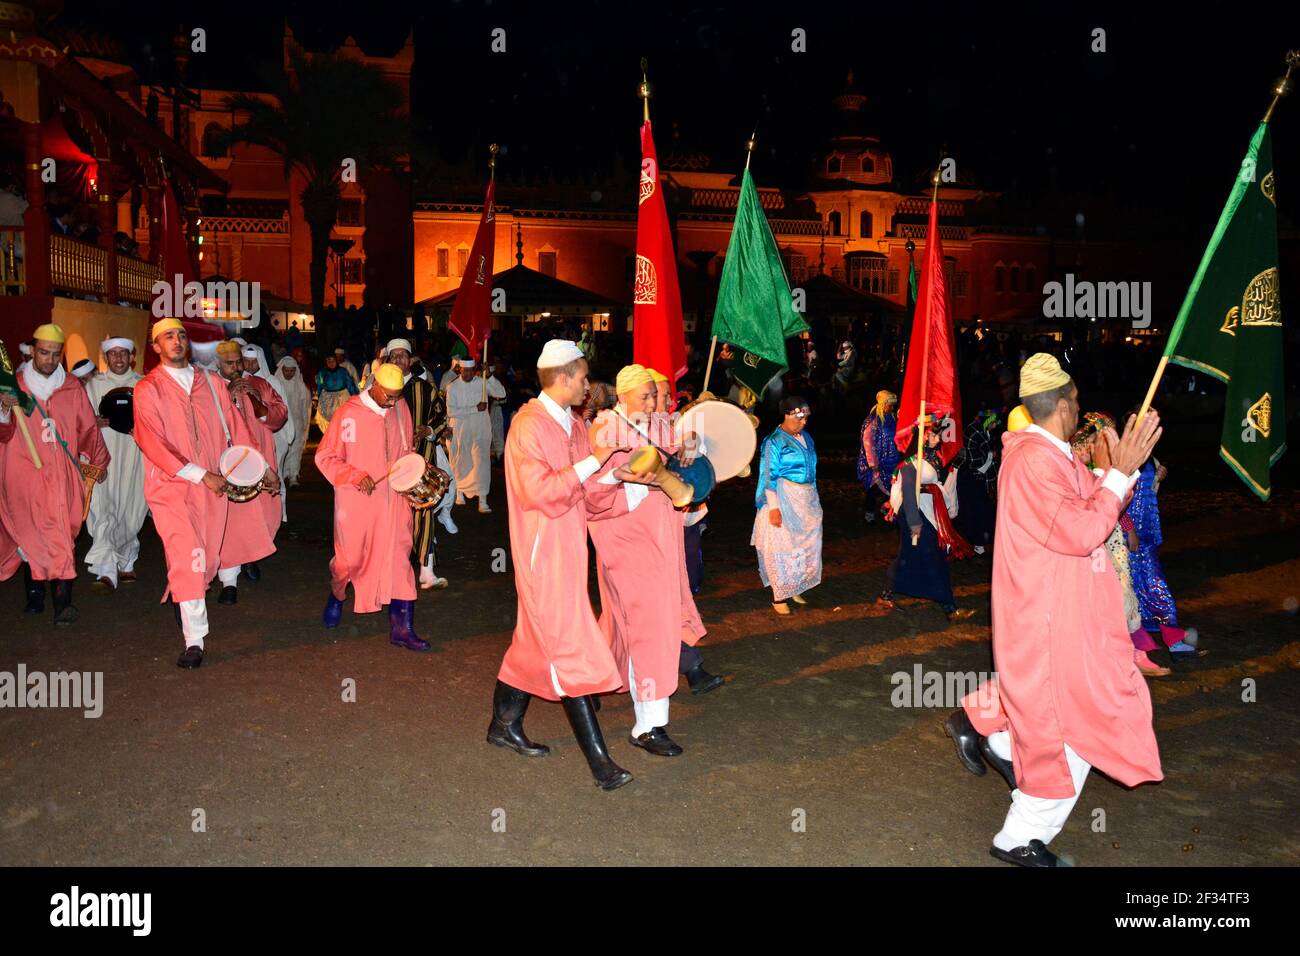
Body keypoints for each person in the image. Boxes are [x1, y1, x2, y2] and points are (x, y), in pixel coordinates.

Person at [943, 353, 1163, 867]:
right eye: (1078, 402)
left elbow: (1093, 507)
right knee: (1074, 729)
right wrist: (1118, 474)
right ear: (1063, 405)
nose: (1080, 409)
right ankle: (1018, 834)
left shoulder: (1048, 455)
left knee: (1056, 714)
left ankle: (984, 726)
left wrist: (1116, 471)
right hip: (1049, 620)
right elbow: (1084, 530)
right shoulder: (1033, 461)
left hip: (1059, 617)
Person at [489, 340, 646, 791]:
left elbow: (586, 492)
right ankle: (600, 764)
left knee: (533, 645)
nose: (588, 385)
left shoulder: (575, 425)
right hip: (543, 556)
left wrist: (618, 475)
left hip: (570, 551)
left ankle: (502, 725)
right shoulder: (527, 426)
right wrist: (597, 461)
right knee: (570, 648)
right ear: (562, 376)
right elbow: (538, 492)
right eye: (582, 376)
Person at [134, 319, 278, 668]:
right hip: (173, 487)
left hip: (214, 485)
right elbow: (152, 441)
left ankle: (186, 597)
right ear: (155, 347)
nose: (177, 340)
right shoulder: (148, 388)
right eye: (168, 336)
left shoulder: (211, 383)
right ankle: (194, 639)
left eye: (181, 335)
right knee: (186, 553)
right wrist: (200, 474)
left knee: (206, 556)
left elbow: (238, 430)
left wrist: (262, 467)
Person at [586, 365, 708, 756]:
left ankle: (588, 683)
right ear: (622, 395)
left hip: (659, 546)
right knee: (651, 629)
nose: (655, 403)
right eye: (647, 396)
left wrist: (690, 444)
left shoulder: (653, 424)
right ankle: (648, 725)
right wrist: (639, 488)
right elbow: (592, 496)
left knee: (626, 625)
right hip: (629, 546)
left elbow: (677, 454)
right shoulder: (606, 431)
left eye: (657, 395)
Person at [0, 323, 110, 624]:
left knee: (60, 535)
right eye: (44, 353)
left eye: (55, 354)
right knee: (29, 536)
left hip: (61, 475)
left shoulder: (72, 386)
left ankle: (63, 604)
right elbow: (3, 433)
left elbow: (87, 427)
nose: (49, 359)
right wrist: (4, 409)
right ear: (32, 351)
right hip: (22, 474)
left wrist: (98, 463)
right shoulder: (15, 385)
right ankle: (35, 593)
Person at [315, 363, 426, 651]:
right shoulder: (348, 413)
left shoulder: (401, 408)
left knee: (399, 558)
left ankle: (402, 628)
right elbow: (325, 456)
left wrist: (414, 476)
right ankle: (337, 594)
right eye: (388, 396)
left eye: (397, 396)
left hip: (395, 500)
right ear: (373, 385)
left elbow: (407, 451)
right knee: (349, 560)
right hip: (357, 500)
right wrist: (354, 475)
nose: (392, 402)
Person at [1071, 412, 1170, 678]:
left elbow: (1119, 503)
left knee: (1123, 594)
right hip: (1088, 544)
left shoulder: (1104, 470)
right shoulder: (1075, 470)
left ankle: (1134, 653)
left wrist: (1129, 531)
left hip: (1111, 540)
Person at [647, 366, 723, 696]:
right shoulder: (626, 431)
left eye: (667, 395)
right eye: (658, 395)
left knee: (671, 600)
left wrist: (691, 442)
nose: (665, 401)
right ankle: (590, 682)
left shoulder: (667, 426)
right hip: (640, 535)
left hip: (672, 529)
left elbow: (690, 444)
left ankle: (691, 667)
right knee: (639, 612)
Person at [877, 417, 976, 622]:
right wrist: (914, 522)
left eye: (938, 434)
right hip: (915, 513)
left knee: (910, 555)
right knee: (932, 556)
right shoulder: (912, 461)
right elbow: (907, 489)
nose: (938, 438)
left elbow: (938, 484)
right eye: (933, 434)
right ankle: (949, 607)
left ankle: (887, 593)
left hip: (929, 510)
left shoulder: (933, 458)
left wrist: (955, 465)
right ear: (922, 437)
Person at [214, 342, 285, 599]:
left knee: (262, 513)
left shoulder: (260, 384)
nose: (236, 368)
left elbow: (279, 415)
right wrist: (228, 397)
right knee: (230, 522)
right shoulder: (210, 387)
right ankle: (229, 582)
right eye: (229, 363)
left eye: (238, 362)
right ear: (218, 364)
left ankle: (250, 555)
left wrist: (256, 400)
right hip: (227, 464)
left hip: (260, 461)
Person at [84, 337, 147, 591]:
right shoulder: (94, 385)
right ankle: (106, 569)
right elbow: (81, 418)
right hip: (103, 454)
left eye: (124, 354)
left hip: (135, 456)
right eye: (113, 354)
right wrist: (93, 423)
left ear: (131, 357)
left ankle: (127, 558)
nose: (119, 359)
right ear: (106, 358)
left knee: (131, 509)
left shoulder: (143, 384)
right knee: (103, 508)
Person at [385, 338, 449, 590]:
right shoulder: (379, 390)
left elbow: (442, 417)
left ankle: (426, 571)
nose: (399, 360)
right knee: (392, 514)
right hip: (390, 464)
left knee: (423, 513)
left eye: (403, 355)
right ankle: (392, 567)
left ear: (411, 359)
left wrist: (429, 429)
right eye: (394, 356)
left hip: (421, 461)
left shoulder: (426, 389)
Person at [752, 396, 823, 615]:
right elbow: (768, 475)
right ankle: (779, 595)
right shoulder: (774, 441)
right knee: (782, 545)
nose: (803, 423)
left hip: (806, 499)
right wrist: (773, 507)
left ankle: (795, 585)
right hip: (783, 498)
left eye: (805, 418)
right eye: (798, 418)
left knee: (804, 544)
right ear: (786, 415)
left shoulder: (806, 437)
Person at [1127, 454, 1200, 656]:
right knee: (1141, 590)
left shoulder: (1150, 458)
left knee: (1146, 588)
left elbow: (1145, 494)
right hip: (1127, 539)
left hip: (1146, 536)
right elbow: (1114, 497)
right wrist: (1129, 529)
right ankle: (1158, 643)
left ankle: (1155, 642)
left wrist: (1158, 478)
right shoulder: (1124, 454)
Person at [242, 344, 296, 523]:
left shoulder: (272, 382)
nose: (249, 366)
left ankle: (280, 513)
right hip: (249, 437)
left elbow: (283, 409)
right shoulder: (240, 381)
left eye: (253, 362)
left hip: (275, 436)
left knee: (275, 473)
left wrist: (289, 434)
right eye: (246, 362)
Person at [445, 357, 506, 513]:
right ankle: (460, 493)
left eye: (472, 371)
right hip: (461, 431)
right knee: (460, 462)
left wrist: (490, 376)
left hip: (480, 431)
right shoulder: (452, 387)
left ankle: (482, 499)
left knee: (481, 464)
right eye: (466, 371)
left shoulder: (482, 382)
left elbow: (501, 393)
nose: (469, 374)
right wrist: (474, 408)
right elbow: (451, 411)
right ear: (460, 370)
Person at [951, 409, 1000, 554]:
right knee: (976, 511)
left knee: (985, 511)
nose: (996, 424)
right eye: (994, 422)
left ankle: (984, 542)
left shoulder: (985, 431)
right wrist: (991, 456)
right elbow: (977, 465)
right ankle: (978, 544)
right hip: (971, 477)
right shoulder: (975, 433)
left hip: (979, 478)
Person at [857, 390, 899, 524]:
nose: (892, 407)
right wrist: (872, 462)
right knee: (874, 489)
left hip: (891, 460)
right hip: (878, 462)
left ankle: (886, 508)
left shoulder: (892, 418)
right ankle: (869, 512)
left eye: (893, 405)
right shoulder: (873, 420)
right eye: (890, 404)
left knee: (891, 486)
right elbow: (867, 441)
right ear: (883, 404)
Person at [274, 355, 311, 487]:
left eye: (292, 371)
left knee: (295, 449)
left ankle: (294, 475)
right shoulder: (275, 384)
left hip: (296, 423)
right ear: (282, 370)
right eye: (286, 370)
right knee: (282, 450)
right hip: (280, 425)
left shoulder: (300, 386)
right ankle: (281, 475)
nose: (289, 373)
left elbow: (305, 407)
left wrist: (304, 423)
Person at [315, 354, 358, 433]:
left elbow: (350, 384)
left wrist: (355, 397)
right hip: (327, 400)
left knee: (342, 420)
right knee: (328, 423)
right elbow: (319, 386)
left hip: (342, 398)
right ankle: (330, 439)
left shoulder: (343, 371)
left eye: (333, 361)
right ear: (326, 362)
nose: (331, 363)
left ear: (336, 361)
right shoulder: (322, 373)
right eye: (329, 361)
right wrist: (316, 398)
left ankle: (340, 440)